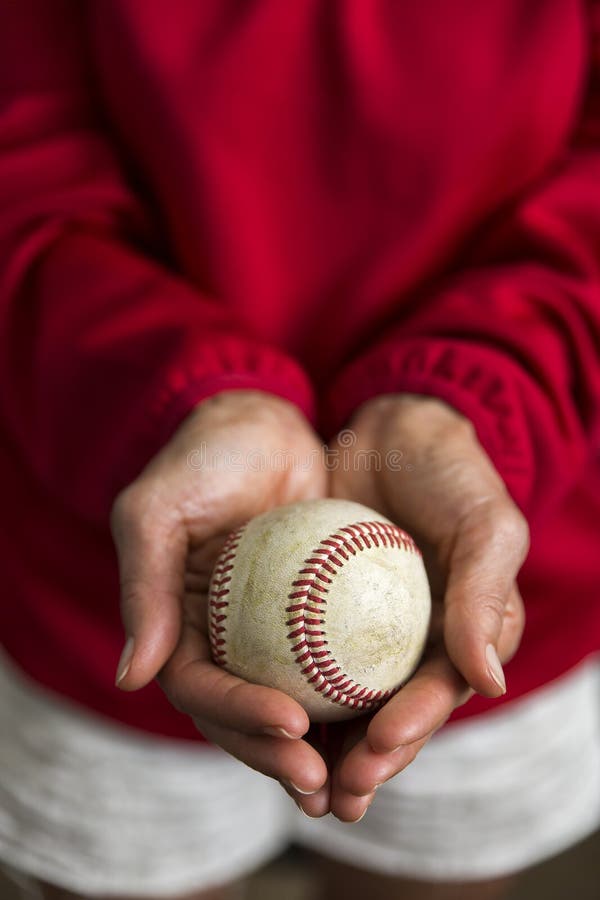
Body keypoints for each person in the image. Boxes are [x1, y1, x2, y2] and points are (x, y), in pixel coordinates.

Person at [0, 2, 599, 898]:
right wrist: (186, 399)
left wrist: (471, 400)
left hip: (484, 567)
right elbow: (24, 178)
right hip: (119, 570)